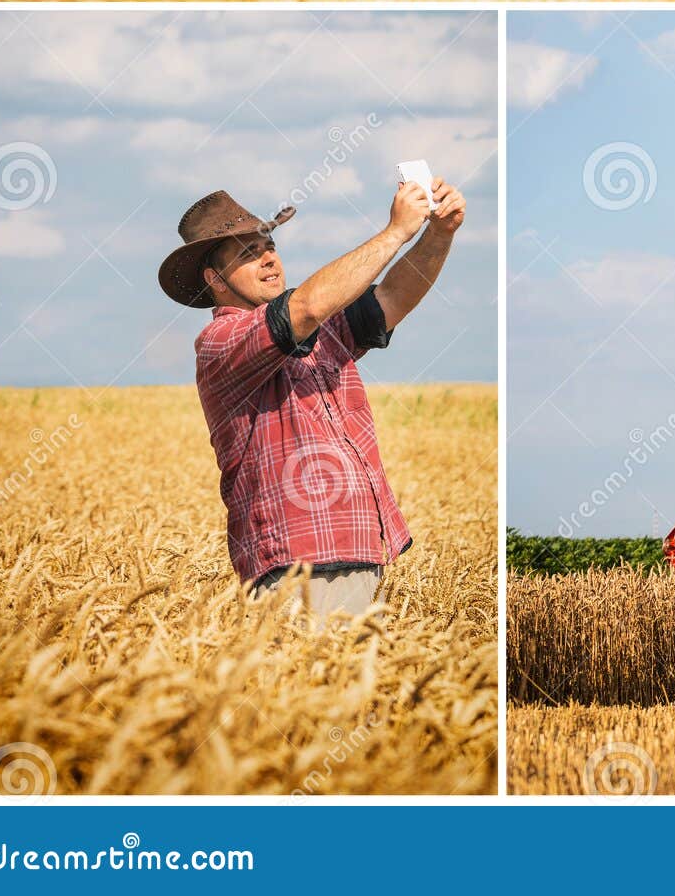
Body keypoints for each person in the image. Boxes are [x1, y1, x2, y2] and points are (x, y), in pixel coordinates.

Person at [157, 178, 465, 622]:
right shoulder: (219, 341)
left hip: (361, 550)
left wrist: (439, 233)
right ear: (215, 279)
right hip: (297, 563)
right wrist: (396, 232)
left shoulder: (320, 330)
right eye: (247, 254)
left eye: (269, 246)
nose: (268, 258)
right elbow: (306, 308)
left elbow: (392, 295)